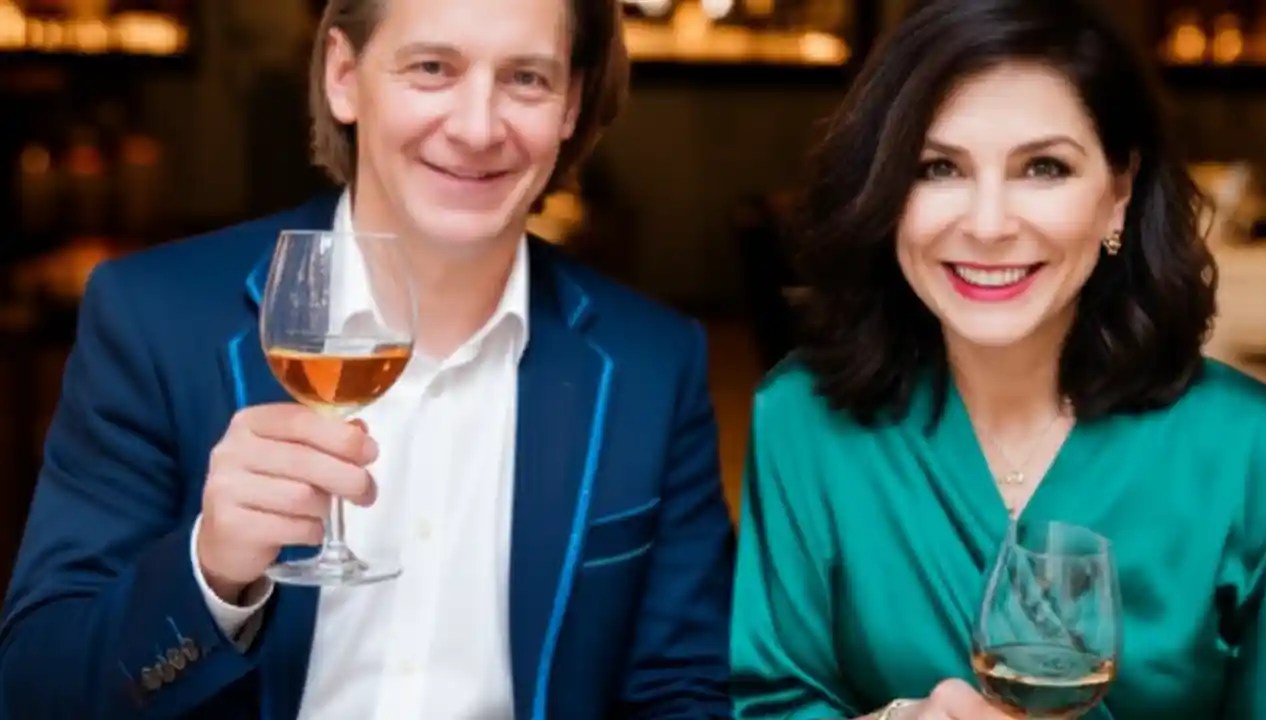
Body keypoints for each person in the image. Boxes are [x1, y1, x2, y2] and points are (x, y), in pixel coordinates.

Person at [0, 0, 735, 717]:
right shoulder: (155, 319)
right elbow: (36, 690)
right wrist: (211, 572)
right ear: (343, 76)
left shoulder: (652, 364)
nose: (478, 128)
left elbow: (683, 691)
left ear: (571, 106)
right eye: (432, 67)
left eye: (526, 79)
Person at [729, 0, 1266, 718]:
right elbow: (769, 699)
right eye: (938, 168)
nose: (988, 225)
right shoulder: (801, 421)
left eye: (1044, 167)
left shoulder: (1252, 450)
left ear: (1119, 194)